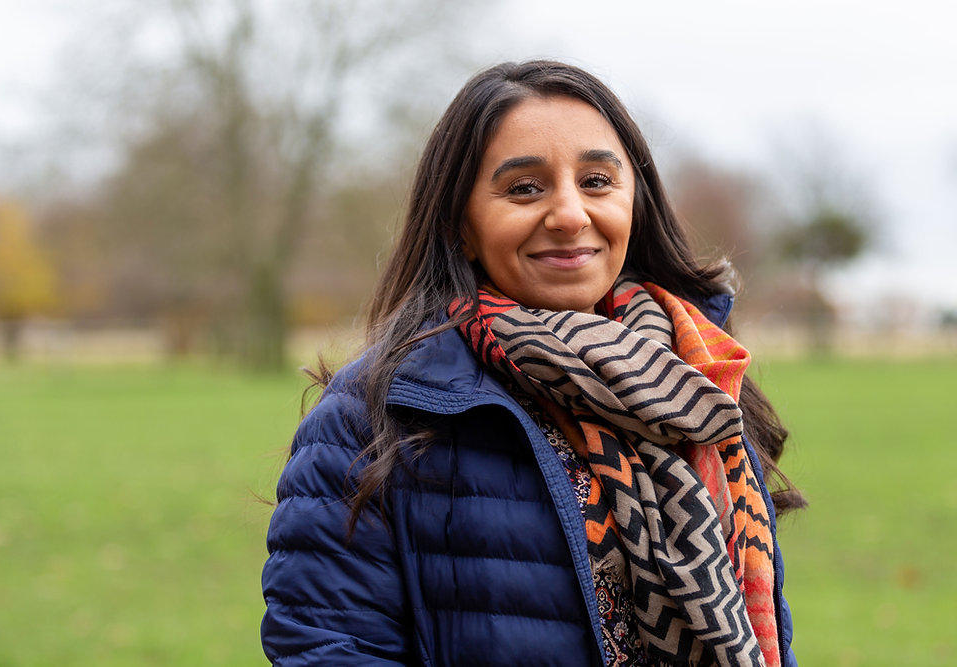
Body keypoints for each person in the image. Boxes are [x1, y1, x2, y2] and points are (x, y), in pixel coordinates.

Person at [261, 60, 805, 666]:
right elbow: (329, 650)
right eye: (524, 188)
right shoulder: (371, 417)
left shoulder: (699, 380)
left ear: (635, 203)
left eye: (597, 180)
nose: (571, 214)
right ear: (460, 225)